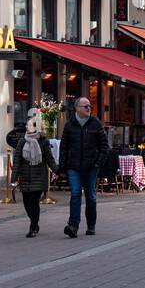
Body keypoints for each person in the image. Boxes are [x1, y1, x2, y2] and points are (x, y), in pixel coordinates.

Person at [58, 97, 109, 238]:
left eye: (89, 106)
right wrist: (62, 168)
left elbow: (104, 146)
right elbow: (64, 147)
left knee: (91, 197)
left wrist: (98, 163)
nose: (88, 108)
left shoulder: (95, 124)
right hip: (73, 166)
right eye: (85, 106)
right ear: (77, 108)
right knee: (75, 193)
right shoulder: (69, 125)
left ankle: (91, 225)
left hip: (91, 167)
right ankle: (73, 225)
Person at [11, 107, 59, 237]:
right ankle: (34, 222)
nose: (27, 127)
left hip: (39, 178)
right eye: (27, 125)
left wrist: (59, 171)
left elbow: (50, 160)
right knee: (27, 204)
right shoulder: (22, 141)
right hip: (25, 178)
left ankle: (33, 226)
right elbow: (17, 161)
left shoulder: (44, 142)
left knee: (34, 203)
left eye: (30, 125)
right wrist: (14, 177)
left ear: (37, 127)